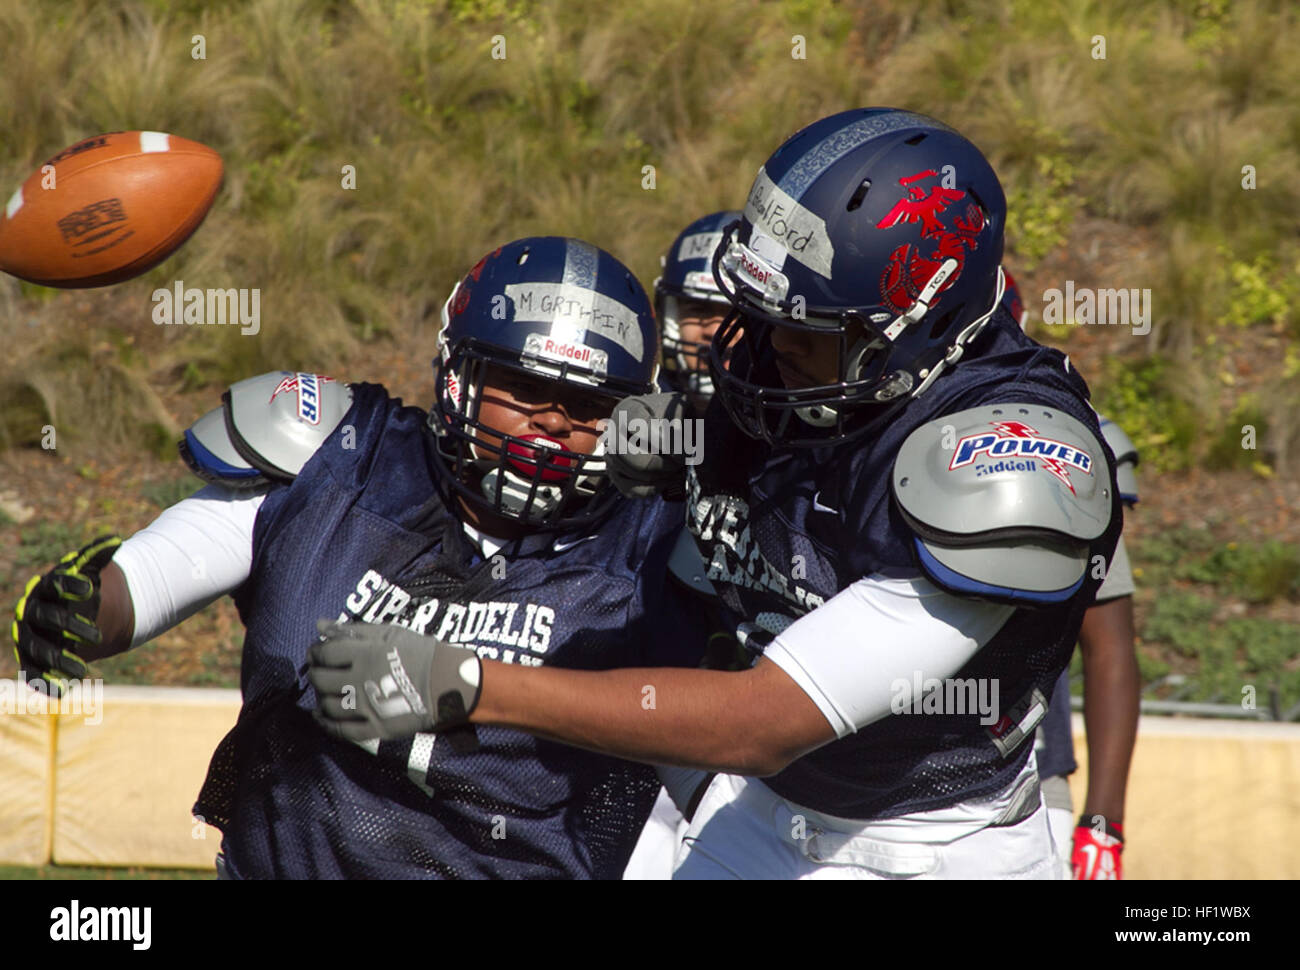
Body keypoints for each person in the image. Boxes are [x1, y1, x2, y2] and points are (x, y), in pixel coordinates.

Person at [309, 107, 1125, 879]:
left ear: (914, 322)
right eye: (759, 313)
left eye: (804, 329)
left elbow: (763, 722)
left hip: (936, 848)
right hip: (764, 817)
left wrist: (471, 683)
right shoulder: (807, 390)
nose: (764, 347)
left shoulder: (1009, 465)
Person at [11, 236, 705, 879]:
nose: (553, 422)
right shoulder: (341, 460)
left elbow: (729, 742)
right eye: (524, 389)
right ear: (459, 376)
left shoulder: (656, 541)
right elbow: (151, 580)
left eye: (586, 405)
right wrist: (79, 610)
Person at [1002, 272, 1141, 880]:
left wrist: (1103, 824)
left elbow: (1108, 648)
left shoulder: (1060, 442)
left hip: (1026, 784)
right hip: (847, 789)